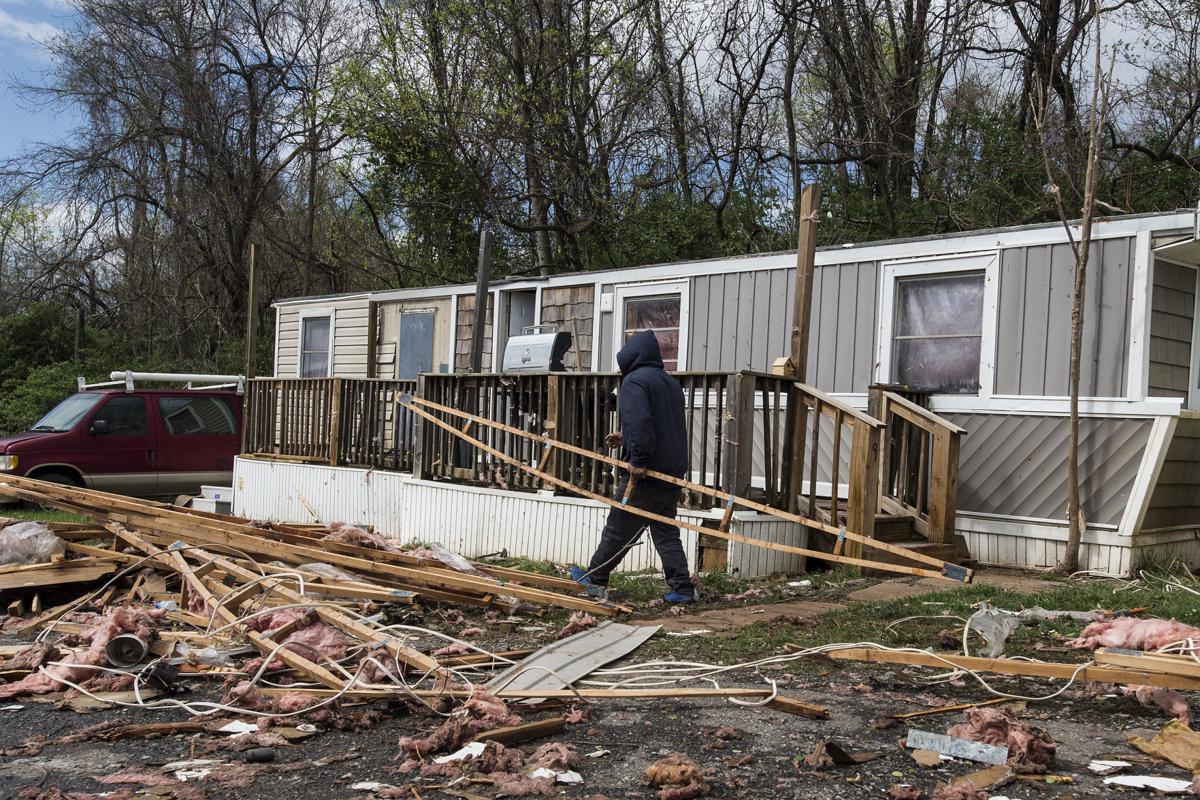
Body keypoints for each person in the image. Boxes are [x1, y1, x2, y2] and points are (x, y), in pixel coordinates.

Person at [570, 330, 696, 603]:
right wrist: (626, 436)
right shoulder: (669, 383)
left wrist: (637, 460)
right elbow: (661, 425)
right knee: (665, 532)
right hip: (671, 474)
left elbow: (641, 424)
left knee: (618, 526)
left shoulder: (634, 382)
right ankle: (682, 588)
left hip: (645, 475)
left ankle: (595, 578)